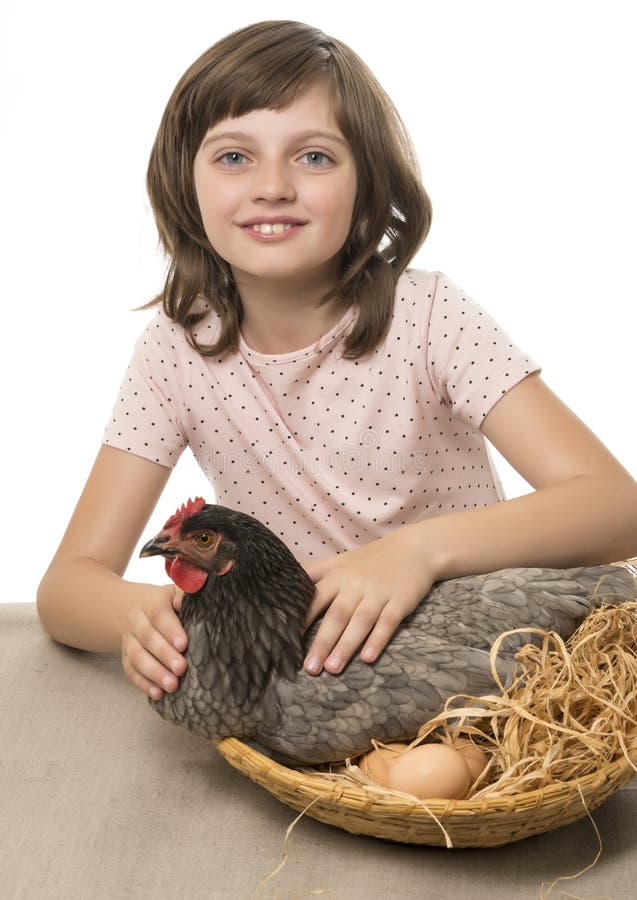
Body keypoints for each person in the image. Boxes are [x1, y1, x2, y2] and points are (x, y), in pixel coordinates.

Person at [37, 20, 637, 706]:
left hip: (477, 651)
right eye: (234, 157)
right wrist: (140, 616)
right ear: (184, 182)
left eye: (313, 157)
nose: (272, 186)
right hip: (333, 678)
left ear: (366, 183)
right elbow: (66, 587)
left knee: (439, 771)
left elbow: (616, 506)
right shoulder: (175, 352)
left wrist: (416, 552)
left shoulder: (431, 317)